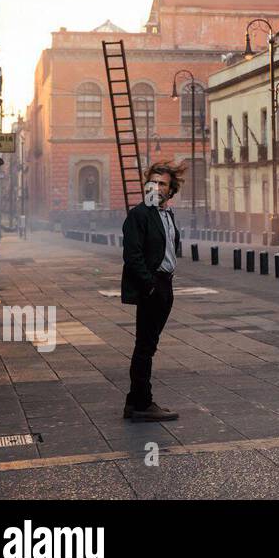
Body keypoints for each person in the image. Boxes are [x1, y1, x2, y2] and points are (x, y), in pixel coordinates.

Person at [120, 162, 184, 422]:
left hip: (165, 283)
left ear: (171, 190)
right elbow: (132, 255)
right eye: (153, 183)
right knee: (145, 347)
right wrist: (149, 286)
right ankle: (142, 404)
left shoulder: (167, 214)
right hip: (153, 285)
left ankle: (134, 401)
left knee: (149, 344)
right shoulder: (140, 215)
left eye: (162, 184)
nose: (156, 188)